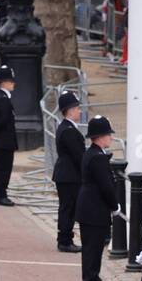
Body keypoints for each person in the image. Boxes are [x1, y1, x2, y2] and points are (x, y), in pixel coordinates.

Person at [76, 115, 119, 281]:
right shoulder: (97, 157)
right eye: (108, 134)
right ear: (101, 136)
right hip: (94, 211)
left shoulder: (93, 154)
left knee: (91, 250)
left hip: (89, 209)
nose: (110, 138)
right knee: (93, 252)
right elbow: (106, 186)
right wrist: (114, 205)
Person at [52, 89, 85, 250]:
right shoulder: (68, 130)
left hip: (67, 174)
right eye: (77, 108)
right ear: (70, 110)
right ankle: (64, 240)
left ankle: (65, 238)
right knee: (68, 208)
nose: (79, 110)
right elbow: (78, 155)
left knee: (68, 208)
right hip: (68, 175)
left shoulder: (67, 128)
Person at [0, 65, 18, 205]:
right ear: (3, 82)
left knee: (2, 168)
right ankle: (1, 194)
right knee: (4, 169)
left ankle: (0, 193)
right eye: (10, 81)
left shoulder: (1, 97)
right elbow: (3, 120)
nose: (13, 83)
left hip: (2, 140)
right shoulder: (3, 99)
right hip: (4, 140)